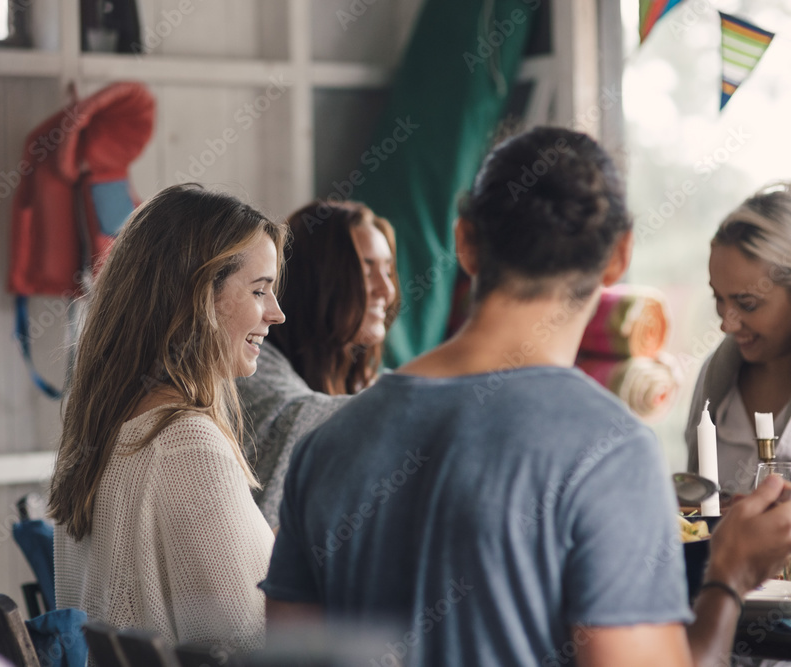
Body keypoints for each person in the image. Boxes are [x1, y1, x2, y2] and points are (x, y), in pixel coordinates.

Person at [261, 127, 791, 666]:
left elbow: (290, 658)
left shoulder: (327, 444)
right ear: (619, 255)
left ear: (464, 242)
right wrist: (728, 578)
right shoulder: (608, 448)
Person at [49, 184, 286, 651]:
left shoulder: (100, 434)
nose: (276, 314)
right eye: (260, 291)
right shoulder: (186, 447)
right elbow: (251, 650)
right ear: (198, 298)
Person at [237, 200, 400, 526]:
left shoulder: (361, 378)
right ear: (317, 279)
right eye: (367, 271)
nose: (388, 289)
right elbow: (304, 414)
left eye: (388, 269)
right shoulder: (250, 363)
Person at [686, 183, 791, 499]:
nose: (725, 324)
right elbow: (694, 504)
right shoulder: (716, 378)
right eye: (719, 298)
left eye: (747, 303)